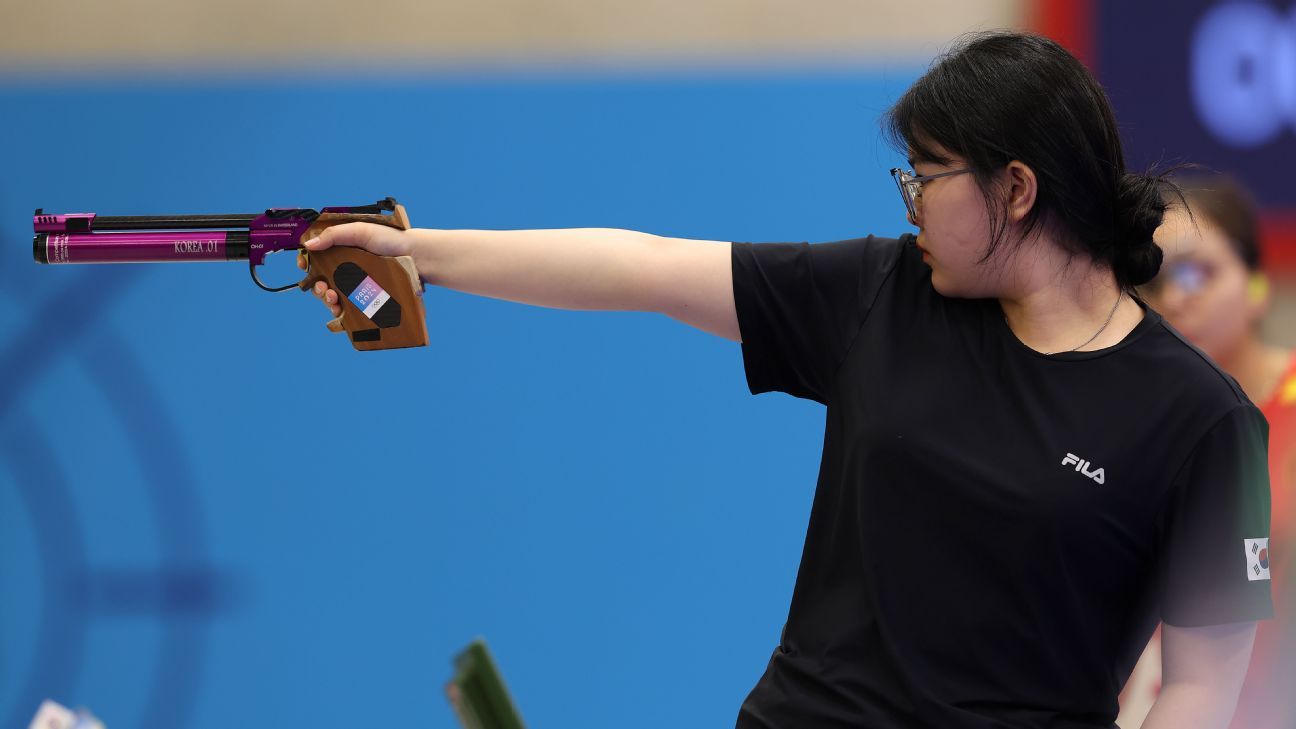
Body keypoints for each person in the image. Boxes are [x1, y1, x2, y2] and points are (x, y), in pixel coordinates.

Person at [299, 32, 1272, 729]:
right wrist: (421, 252)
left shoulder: (1199, 419)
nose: (912, 204)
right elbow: (643, 267)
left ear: (1016, 189)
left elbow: (1200, 688)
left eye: (928, 176)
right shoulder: (881, 292)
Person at [1118, 176, 1294, 729]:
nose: (1174, 298)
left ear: (1259, 284)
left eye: (1200, 272)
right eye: (1155, 278)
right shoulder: (1123, 418)